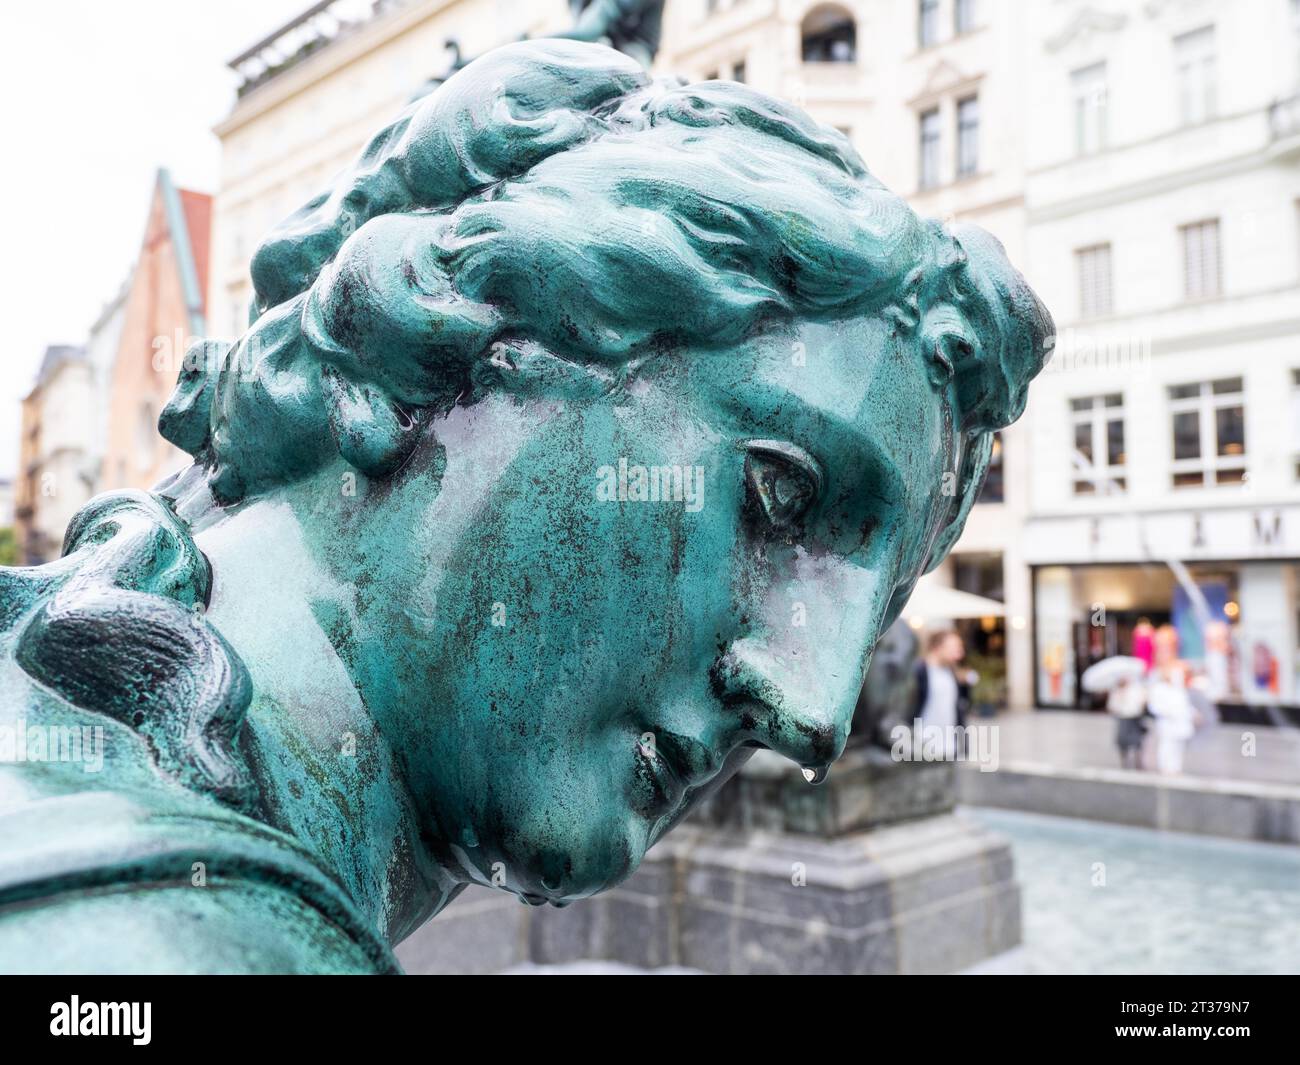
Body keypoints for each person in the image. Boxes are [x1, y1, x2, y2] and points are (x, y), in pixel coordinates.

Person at [0, 40, 1052, 972]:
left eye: (876, 613)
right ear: (450, 337)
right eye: (778, 500)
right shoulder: (158, 938)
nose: (813, 713)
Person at [913, 630, 976, 759]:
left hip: (949, 747)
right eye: (954, 648)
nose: (960, 654)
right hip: (922, 746)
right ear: (937, 647)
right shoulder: (919, 672)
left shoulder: (953, 673)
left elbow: (961, 707)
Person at [1147, 624, 1196, 775]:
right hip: (1167, 716)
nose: (1166, 649)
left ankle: (1175, 769)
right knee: (1167, 746)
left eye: (1169, 645)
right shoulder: (1156, 671)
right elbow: (1154, 699)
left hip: (1180, 714)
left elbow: (1187, 691)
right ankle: (1168, 770)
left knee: (1178, 747)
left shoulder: (1182, 666)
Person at [1106, 675, 1147, 769]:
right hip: (1122, 718)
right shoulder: (1116, 691)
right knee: (1122, 741)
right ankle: (1124, 761)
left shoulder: (1136, 689)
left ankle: (1138, 762)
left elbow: (1141, 703)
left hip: (1134, 717)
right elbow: (1112, 706)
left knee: (1137, 741)